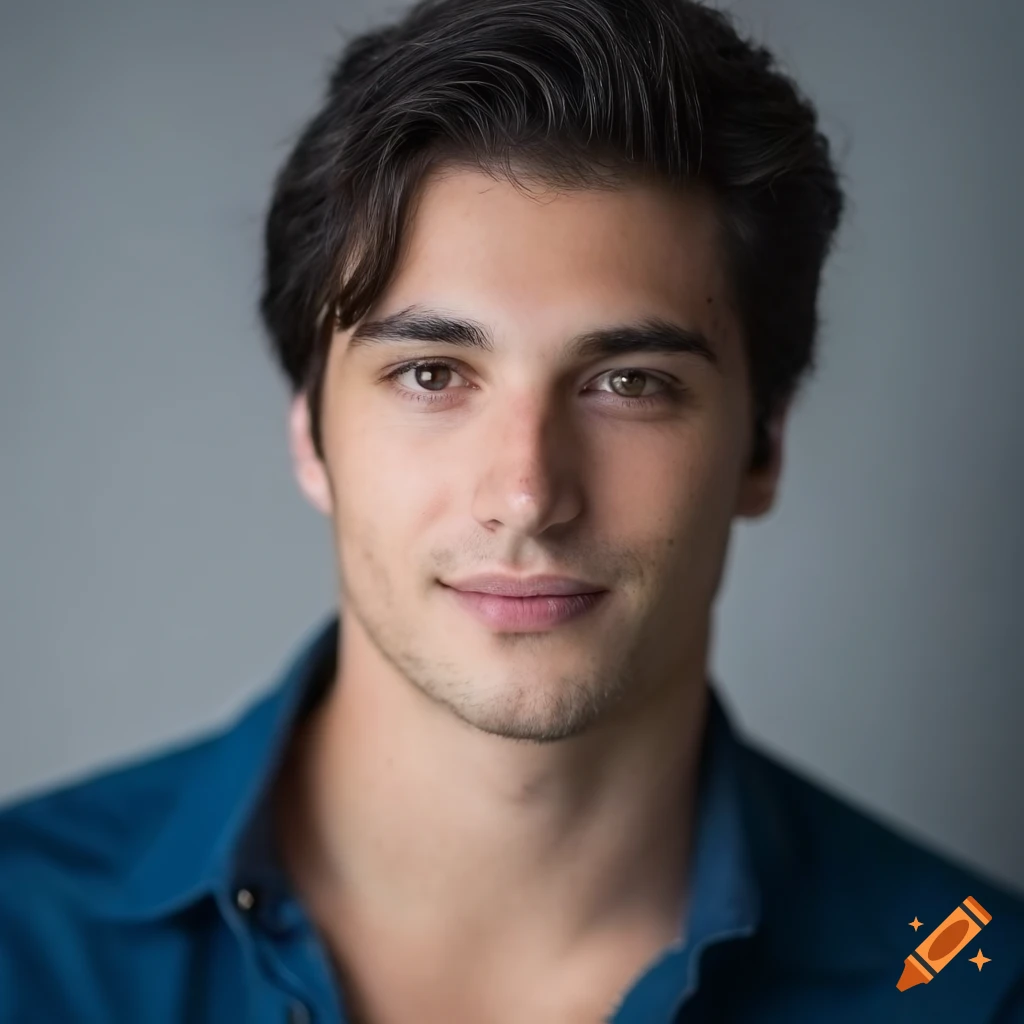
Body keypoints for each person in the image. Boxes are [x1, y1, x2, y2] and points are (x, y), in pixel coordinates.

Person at [2, 0, 1023, 1021]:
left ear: (762, 444)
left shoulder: (964, 982)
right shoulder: (22, 941)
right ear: (311, 434)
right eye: (433, 372)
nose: (528, 493)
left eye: (628, 383)